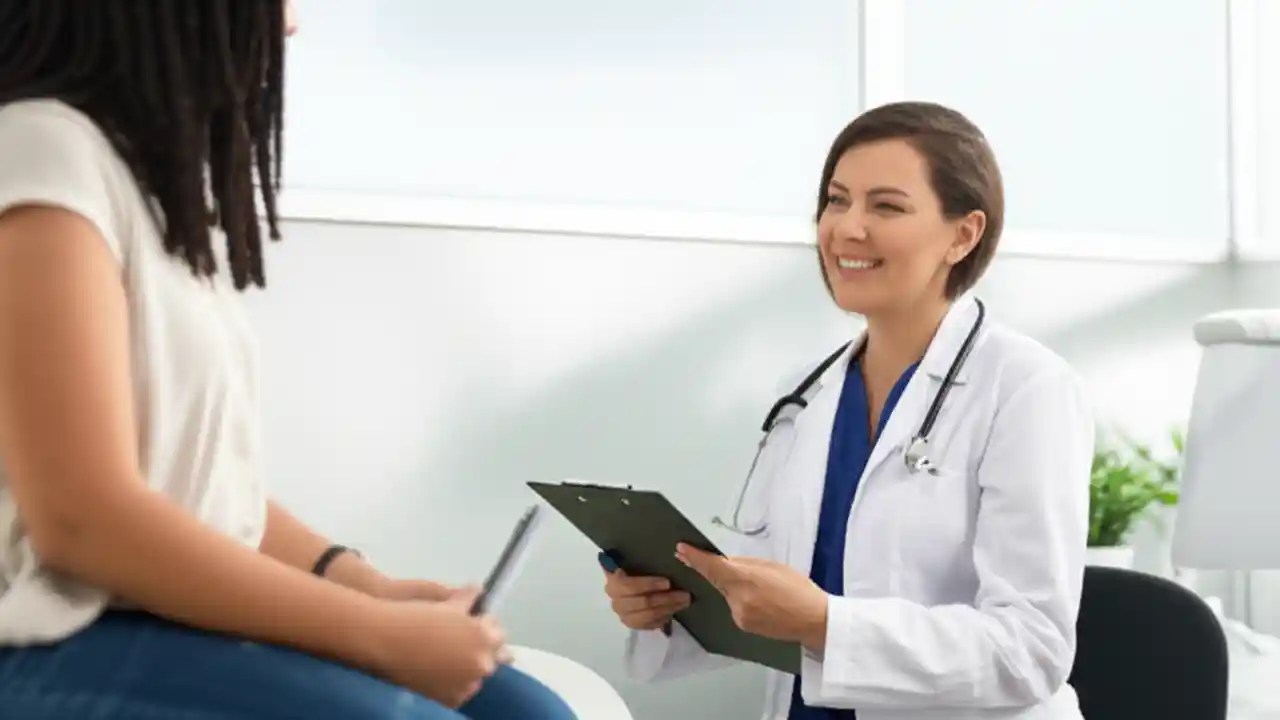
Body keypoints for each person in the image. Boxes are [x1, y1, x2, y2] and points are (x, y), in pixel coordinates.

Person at [0, 2, 574, 718]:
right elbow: (85, 520)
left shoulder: (145, 189)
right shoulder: (40, 149)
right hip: (54, 638)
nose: (291, 23)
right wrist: (378, 635)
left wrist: (367, 588)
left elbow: (195, 485)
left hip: (156, 622)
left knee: (529, 712)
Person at [602, 101, 1094, 719]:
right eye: (837, 201)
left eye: (886, 206)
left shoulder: (1027, 388)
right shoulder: (805, 397)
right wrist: (672, 610)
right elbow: (771, 601)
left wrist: (828, 623)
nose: (847, 229)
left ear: (963, 234)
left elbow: (1031, 652)